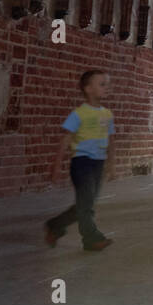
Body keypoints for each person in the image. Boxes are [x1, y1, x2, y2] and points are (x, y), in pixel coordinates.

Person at [45, 69, 116, 251]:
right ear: (88, 89)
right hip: (81, 162)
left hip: (98, 164)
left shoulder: (107, 115)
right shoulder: (78, 114)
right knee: (87, 205)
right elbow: (66, 140)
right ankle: (91, 238)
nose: (107, 87)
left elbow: (110, 140)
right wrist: (56, 167)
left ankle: (55, 224)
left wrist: (111, 164)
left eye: (108, 84)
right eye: (102, 84)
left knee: (86, 204)